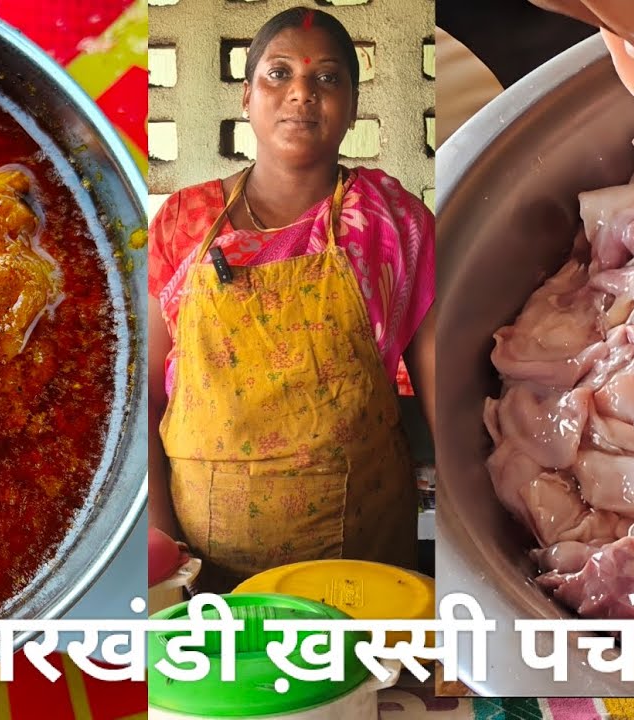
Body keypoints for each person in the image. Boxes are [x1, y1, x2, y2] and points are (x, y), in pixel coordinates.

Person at [147, 6, 435, 593]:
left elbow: (443, 396)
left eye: (327, 78)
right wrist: (161, 548)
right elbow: (145, 398)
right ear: (247, 98)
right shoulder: (183, 220)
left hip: (361, 562)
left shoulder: (392, 221)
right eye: (278, 74)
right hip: (202, 566)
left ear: (352, 106)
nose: (301, 92)